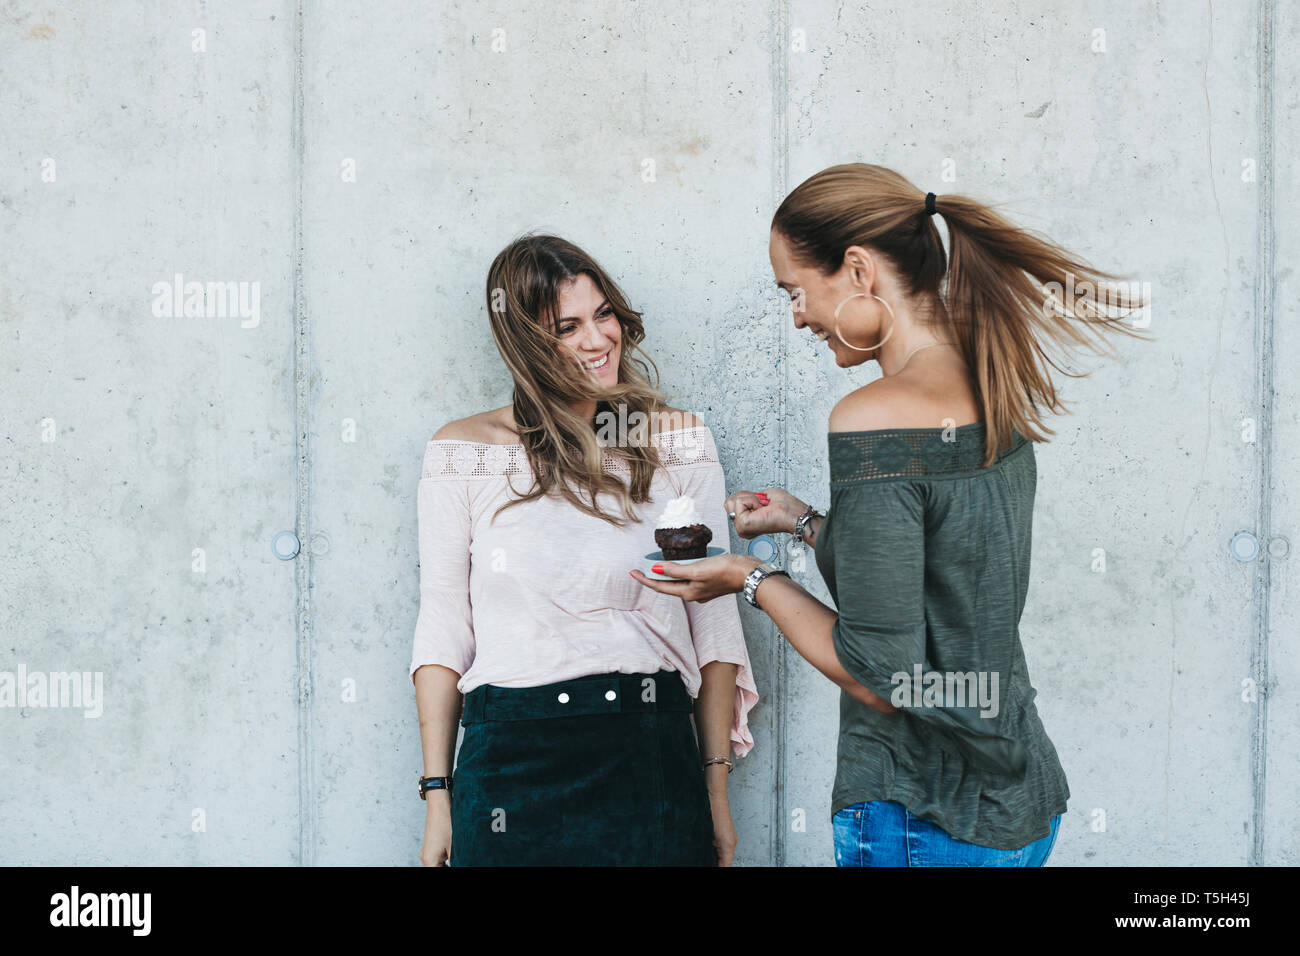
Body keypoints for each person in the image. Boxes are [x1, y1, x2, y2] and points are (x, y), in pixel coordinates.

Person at [632, 163, 1150, 866]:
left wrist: (749, 577)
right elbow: (945, 570)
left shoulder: (873, 418)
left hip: (923, 812)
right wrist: (806, 522)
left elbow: (879, 677)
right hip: (1018, 798)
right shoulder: (992, 374)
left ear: (857, 270)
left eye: (796, 291)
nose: (798, 316)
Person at [411, 234, 759, 867]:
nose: (598, 341)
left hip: (646, 748)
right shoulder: (463, 452)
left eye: (603, 315)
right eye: (566, 327)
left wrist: (714, 791)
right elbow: (442, 626)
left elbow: (714, 623)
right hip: (507, 757)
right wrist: (438, 796)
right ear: (522, 343)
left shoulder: (675, 441)